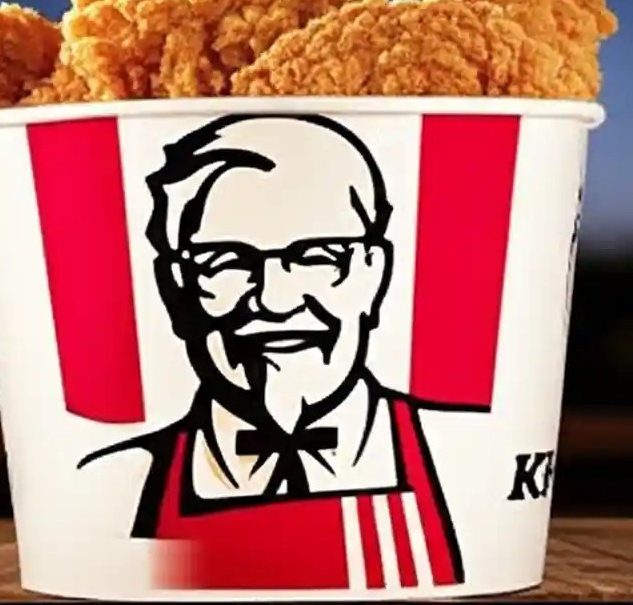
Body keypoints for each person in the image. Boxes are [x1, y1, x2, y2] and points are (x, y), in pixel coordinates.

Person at [79, 114, 463, 590]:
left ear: (373, 273)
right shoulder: (116, 481)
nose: (275, 300)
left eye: (318, 257)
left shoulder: (465, 455)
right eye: (226, 261)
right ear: (175, 290)